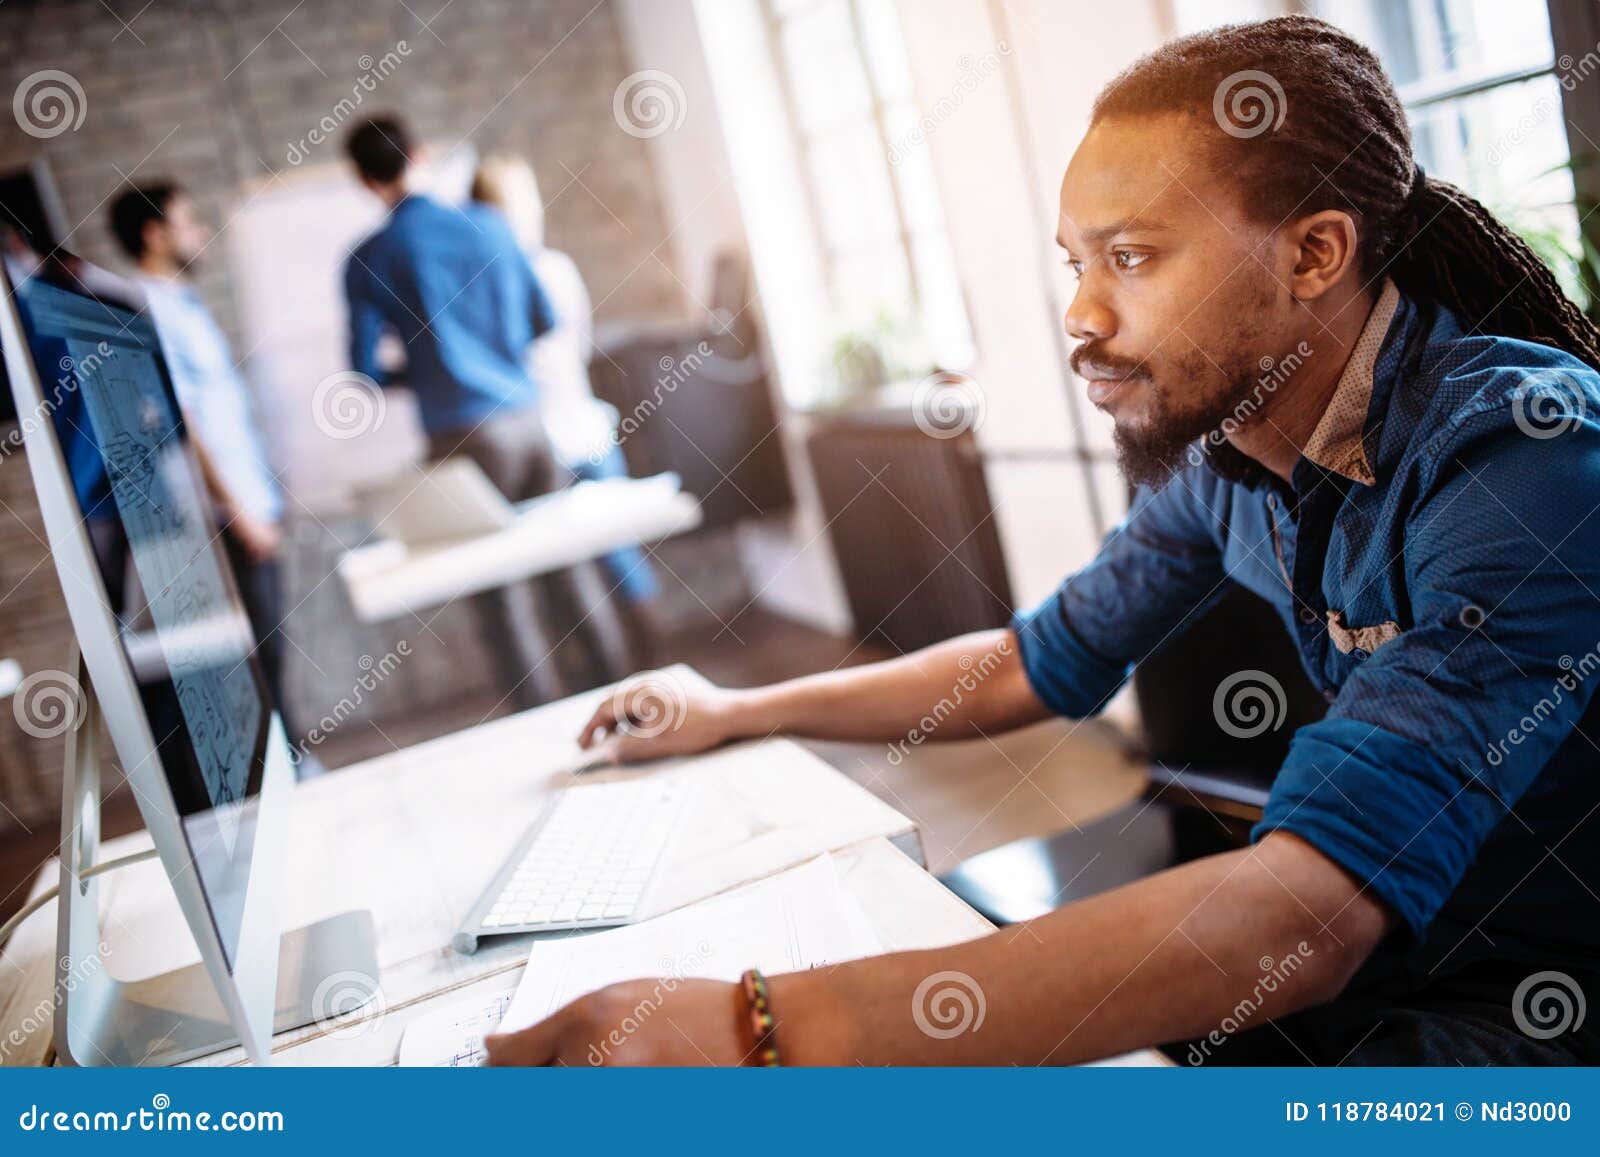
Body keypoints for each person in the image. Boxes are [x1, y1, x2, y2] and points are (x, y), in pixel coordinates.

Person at [486, 15, 1600, 1066]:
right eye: (1078, 262)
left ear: (1313, 255)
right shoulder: (1232, 454)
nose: (1081, 314)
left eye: (1134, 257)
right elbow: (1031, 660)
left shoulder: (1518, 453)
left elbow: (1299, 925)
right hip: (1421, 938)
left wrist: (752, 1034)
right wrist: (732, 710)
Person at [342, 116, 631, 708]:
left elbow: (364, 372)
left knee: (499, 590)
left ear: (362, 179)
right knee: (568, 566)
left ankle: (547, 728)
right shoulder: (490, 226)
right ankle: (628, 705)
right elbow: (544, 321)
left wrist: (425, 369)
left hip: (461, 437)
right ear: (420, 155)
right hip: (530, 424)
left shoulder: (370, 257)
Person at [107, 182, 302, 747]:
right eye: (188, 220)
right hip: (223, 509)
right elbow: (183, 420)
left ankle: (289, 760)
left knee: (270, 641)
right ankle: (288, 765)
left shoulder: (180, 302)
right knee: (261, 646)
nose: (200, 231)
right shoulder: (152, 309)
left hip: (244, 496)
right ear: (155, 233)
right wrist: (238, 509)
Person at [468, 155, 660, 665]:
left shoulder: (496, 280)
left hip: (551, 438)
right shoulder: (554, 269)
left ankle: (626, 672)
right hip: (572, 431)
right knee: (614, 557)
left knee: (571, 569)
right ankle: (650, 669)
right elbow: (578, 345)